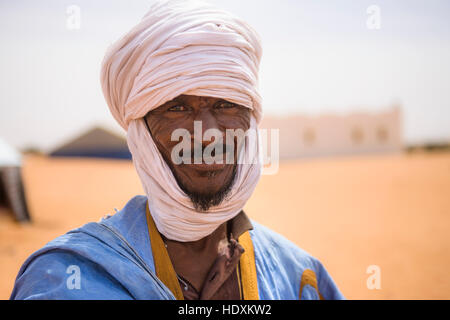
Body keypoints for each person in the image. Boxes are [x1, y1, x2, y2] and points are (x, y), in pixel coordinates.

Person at [10, 0, 344, 300]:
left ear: (251, 122)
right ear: (141, 131)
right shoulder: (64, 280)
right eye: (177, 109)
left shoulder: (298, 278)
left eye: (226, 104)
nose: (207, 136)